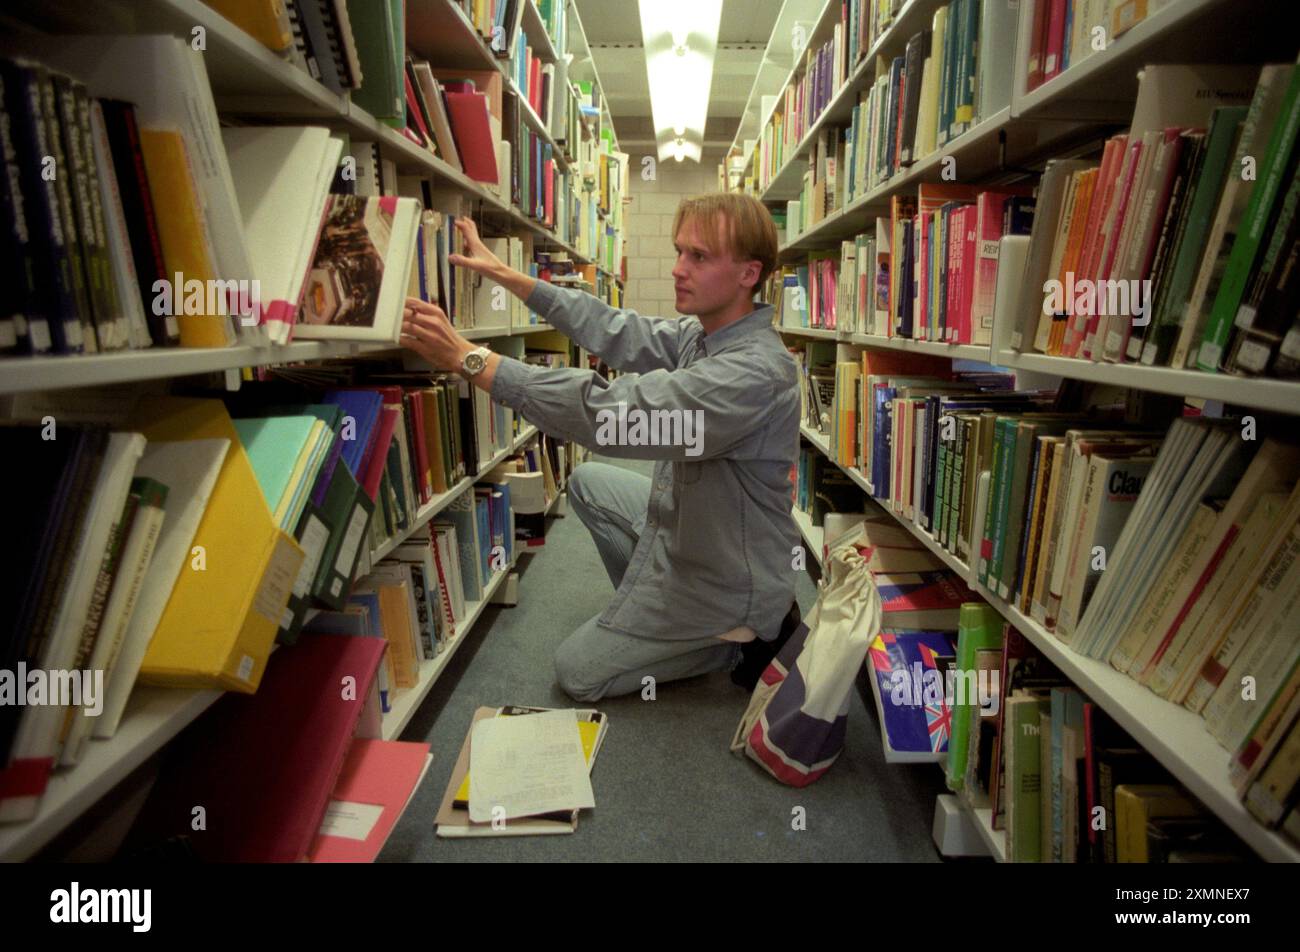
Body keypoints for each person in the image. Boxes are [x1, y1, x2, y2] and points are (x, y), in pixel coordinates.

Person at [400, 193, 801, 702]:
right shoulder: (702, 336)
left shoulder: (754, 373)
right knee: (589, 482)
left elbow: (614, 417)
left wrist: (472, 359)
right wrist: (509, 277)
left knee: (577, 672)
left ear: (749, 273)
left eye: (698, 256)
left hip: (727, 576)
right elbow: (617, 331)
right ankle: (661, 613)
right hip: (698, 533)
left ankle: (728, 640)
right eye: (679, 251)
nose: (678, 268)